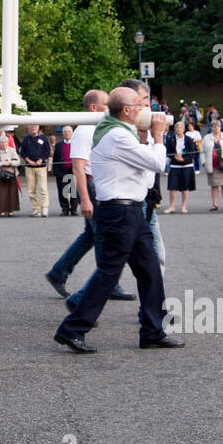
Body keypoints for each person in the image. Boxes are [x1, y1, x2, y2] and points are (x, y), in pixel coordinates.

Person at [53, 83, 182, 354]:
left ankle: (153, 331)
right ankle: (72, 328)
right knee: (109, 273)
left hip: (131, 210)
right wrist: (158, 138)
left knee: (149, 271)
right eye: (139, 105)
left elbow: (147, 176)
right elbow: (158, 165)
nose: (144, 109)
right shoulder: (116, 136)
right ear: (126, 110)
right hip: (120, 212)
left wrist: (147, 139)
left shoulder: (122, 133)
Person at [44, 90, 134, 302]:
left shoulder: (98, 127)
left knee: (91, 236)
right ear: (93, 108)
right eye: (106, 103)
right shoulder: (85, 131)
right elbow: (78, 166)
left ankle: (59, 273)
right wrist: (85, 198)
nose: (110, 106)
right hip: (92, 185)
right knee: (103, 235)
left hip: (98, 185)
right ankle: (109, 283)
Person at [200, 120, 223, 211]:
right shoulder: (207, 138)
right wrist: (204, 162)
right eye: (214, 126)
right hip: (213, 164)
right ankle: (214, 204)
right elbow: (202, 151)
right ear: (211, 127)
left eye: (218, 126)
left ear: (220, 127)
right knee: (214, 185)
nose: (216, 128)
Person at [19, 124, 51, 217]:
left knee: (43, 189)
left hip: (41, 167)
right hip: (29, 167)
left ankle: (45, 209)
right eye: (31, 126)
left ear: (38, 128)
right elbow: (22, 153)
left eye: (35, 126)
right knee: (31, 190)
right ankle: (36, 209)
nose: (33, 128)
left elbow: (47, 151)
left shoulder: (43, 138)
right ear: (28, 128)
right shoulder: (26, 139)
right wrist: (28, 161)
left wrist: (41, 159)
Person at [0, 131, 20, 217]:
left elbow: (18, 161)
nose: (4, 144)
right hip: (0, 175)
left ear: (8, 142)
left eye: (5, 142)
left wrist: (10, 162)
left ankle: (10, 211)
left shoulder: (12, 150)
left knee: (11, 193)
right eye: (2, 142)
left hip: (11, 174)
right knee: (1, 194)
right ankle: (1, 210)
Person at [52, 127, 77, 216]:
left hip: (73, 171)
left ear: (72, 133)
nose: (67, 133)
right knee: (63, 192)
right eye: (65, 132)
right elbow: (55, 159)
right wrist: (57, 172)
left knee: (73, 192)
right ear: (62, 133)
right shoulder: (58, 145)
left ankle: (73, 209)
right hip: (61, 172)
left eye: (68, 132)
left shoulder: (76, 144)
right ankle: (65, 209)